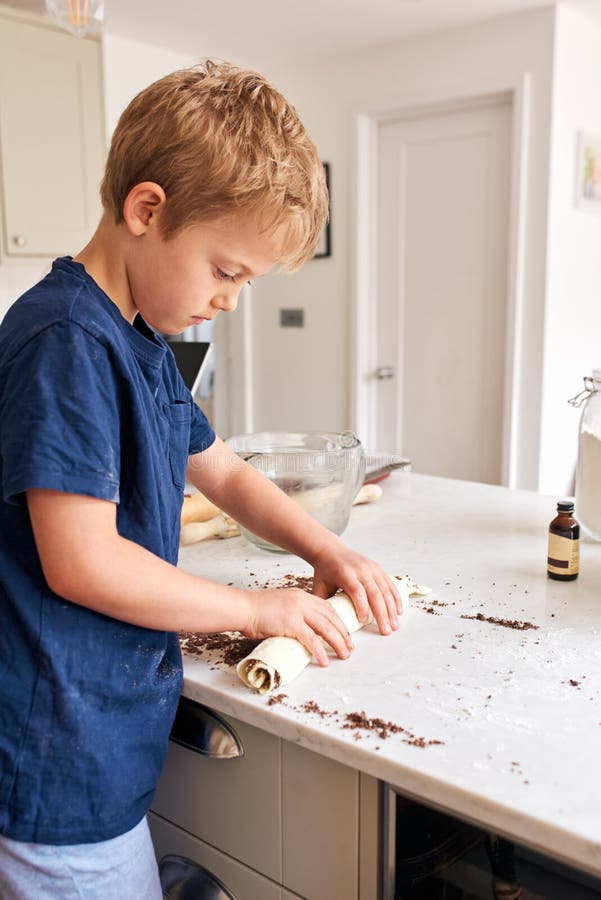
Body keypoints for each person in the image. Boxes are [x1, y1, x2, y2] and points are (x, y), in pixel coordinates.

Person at [0, 61, 402, 899]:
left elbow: (218, 468)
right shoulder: (66, 342)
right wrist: (258, 608)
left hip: (97, 738)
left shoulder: (139, 340)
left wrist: (326, 547)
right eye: (226, 271)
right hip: (54, 759)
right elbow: (83, 562)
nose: (231, 301)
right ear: (148, 211)